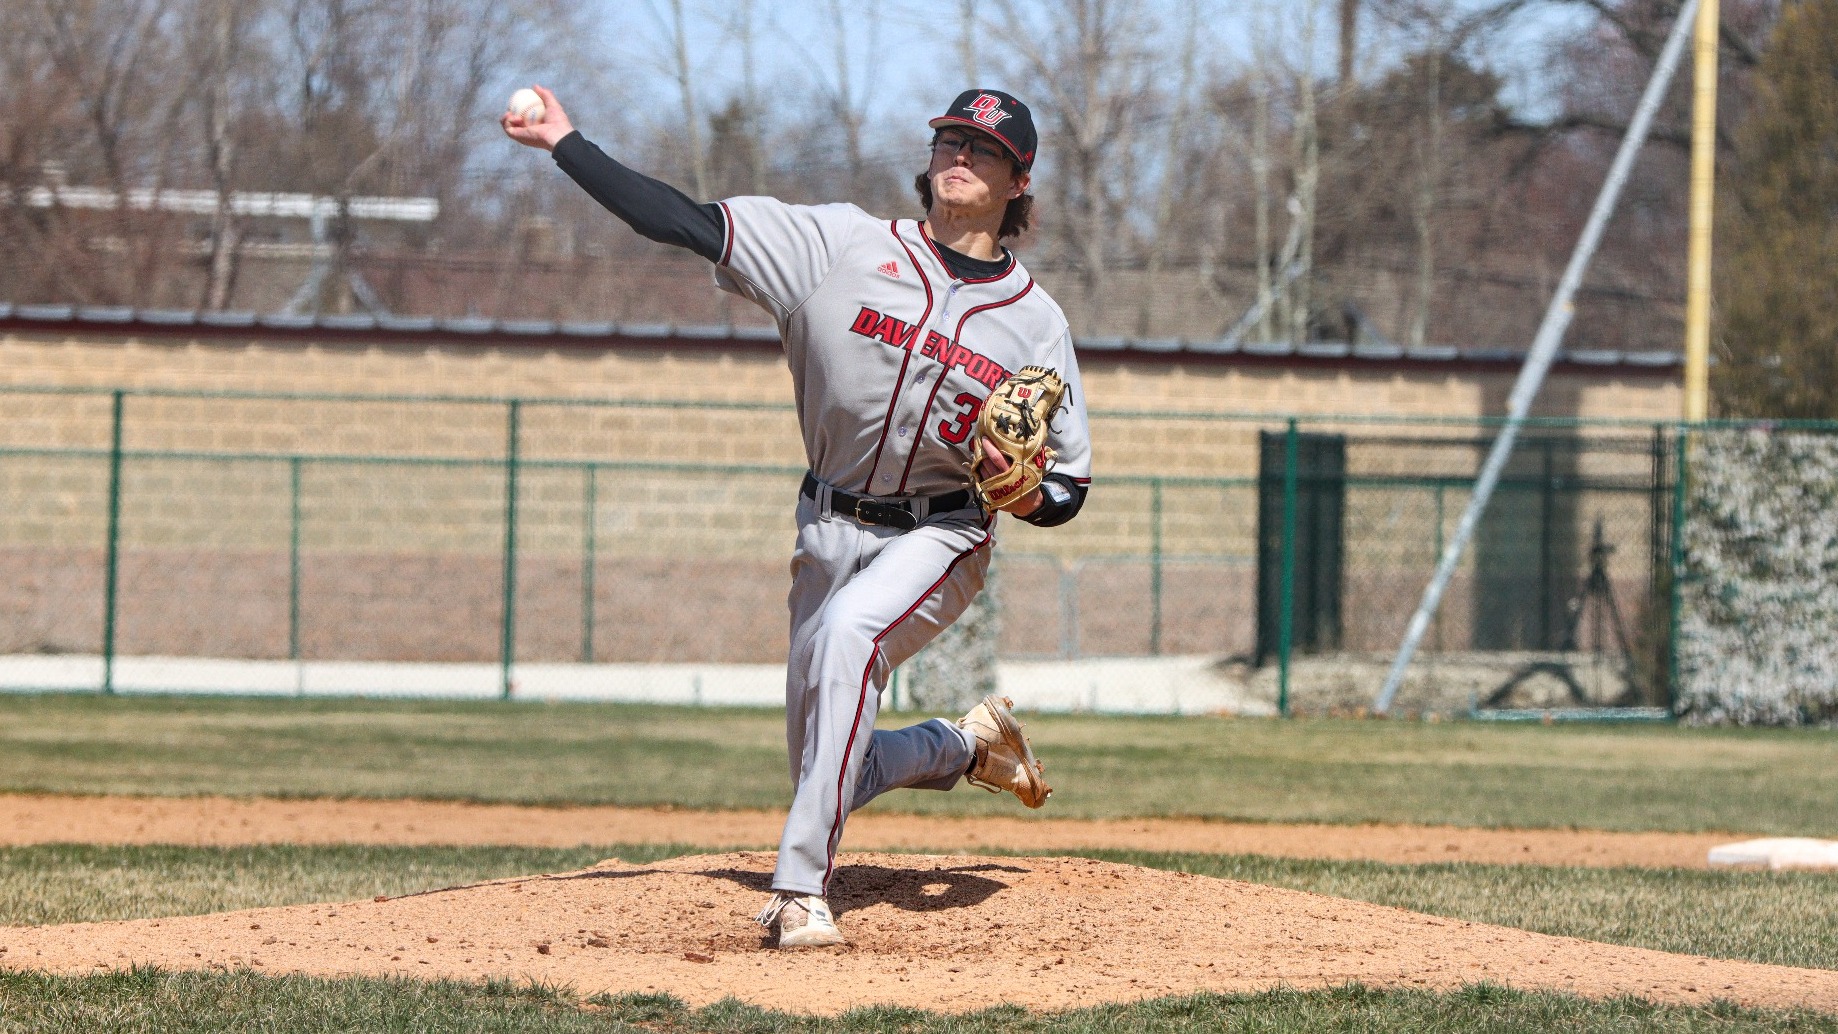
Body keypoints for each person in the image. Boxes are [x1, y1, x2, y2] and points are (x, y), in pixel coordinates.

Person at [503, 86, 1092, 948]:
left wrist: (1024, 494)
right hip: (824, 526)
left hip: (942, 532)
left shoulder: (1036, 323)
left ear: (1017, 183)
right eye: (948, 141)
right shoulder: (838, 245)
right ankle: (965, 748)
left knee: (853, 634)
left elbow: (1069, 487)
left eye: (985, 150)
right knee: (830, 767)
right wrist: (567, 144)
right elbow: (683, 220)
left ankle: (801, 888)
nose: (960, 157)